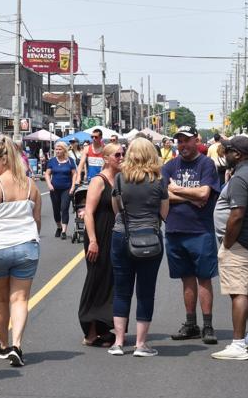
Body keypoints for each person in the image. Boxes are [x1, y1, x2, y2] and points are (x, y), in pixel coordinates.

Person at [0, 136, 42, 367]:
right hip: (26, 246)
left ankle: (4, 345)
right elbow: (37, 221)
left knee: (0, 299)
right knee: (20, 299)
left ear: (4, 159)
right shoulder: (30, 185)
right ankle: (17, 345)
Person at [107, 139, 168, 357]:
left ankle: (118, 342)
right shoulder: (158, 180)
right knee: (145, 292)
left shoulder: (119, 178)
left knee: (121, 290)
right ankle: (141, 344)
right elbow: (164, 213)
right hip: (150, 237)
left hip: (122, 235)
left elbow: (116, 209)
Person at [162, 126, 221, 345]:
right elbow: (163, 195)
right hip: (175, 230)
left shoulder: (206, 164)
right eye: (179, 141)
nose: (182, 145)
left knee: (204, 278)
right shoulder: (169, 166)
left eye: (186, 140)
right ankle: (191, 324)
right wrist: (190, 197)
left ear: (196, 140)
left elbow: (205, 193)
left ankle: (208, 325)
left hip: (200, 230)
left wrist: (177, 189)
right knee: (186, 278)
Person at [212, 136, 248, 360]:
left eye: (228, 151)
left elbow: (237, 215)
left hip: (239, 242)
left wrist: (227, 242)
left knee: (238, 294)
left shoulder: (240, 178)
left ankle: (238, 345)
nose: (225, 155)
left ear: (238, 154)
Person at [82, 143, 122, 348]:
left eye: (123, 154)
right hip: (98, 235)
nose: (121, 157)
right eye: (117, 155)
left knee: (111, 282)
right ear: (106, 158)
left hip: (115, 235)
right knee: (97, 281)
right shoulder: (99, 180)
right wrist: (93, 241)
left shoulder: (121, 178)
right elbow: (88, 212)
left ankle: (103, 328)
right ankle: (90, 333)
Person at [44, 141, 77, 240]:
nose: (57, 151)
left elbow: (74, 174)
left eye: (59, 149)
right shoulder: (52, 161)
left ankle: (63, 231)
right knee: (56, 210)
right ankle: (59, 227)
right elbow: (47, 174)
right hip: (54, 189)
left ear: (64, 150)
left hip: (66, 188)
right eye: (56, 149)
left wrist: (73, 187)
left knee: (64, 208)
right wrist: (49, 184)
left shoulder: (70, 161)